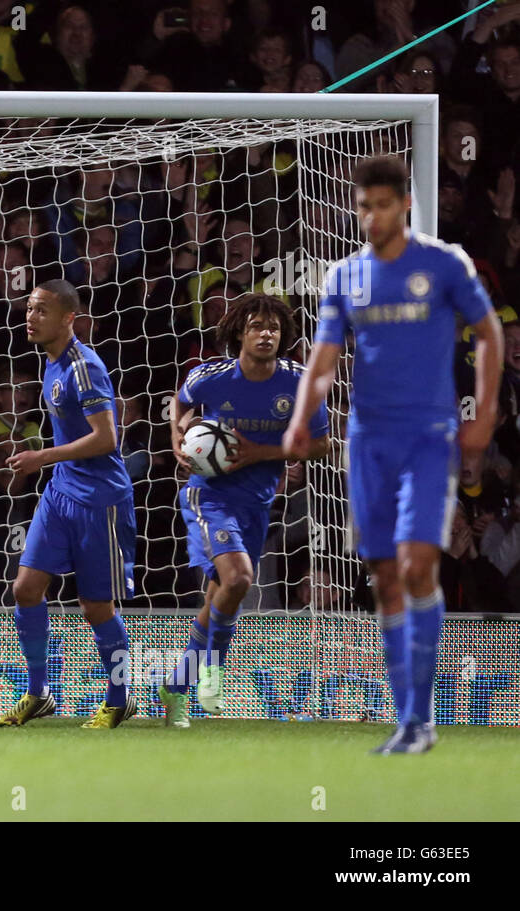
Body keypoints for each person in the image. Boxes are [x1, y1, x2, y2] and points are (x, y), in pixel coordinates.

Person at [283, 155, 503, 754]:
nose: (372, 216)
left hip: (430, 438)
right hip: (367, 444)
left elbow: (489, 333)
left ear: (404, 204)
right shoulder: (344, 278)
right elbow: (324, 360)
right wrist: (303, 418)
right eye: (363, 206)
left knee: (416, 566)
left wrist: (482, 414)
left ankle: (419, 718)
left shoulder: (443, 263)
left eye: (382, 205)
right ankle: (407, 720)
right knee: (384, 577)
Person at [159, 293, 330, 728]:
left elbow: (324, 443)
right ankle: (212, 671)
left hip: (259, 502)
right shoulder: (212, 377)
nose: (266, 333)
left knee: (221, 593)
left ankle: (176, 686)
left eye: (273, 327)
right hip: (210, 496)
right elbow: (180, 402)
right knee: (238, 579)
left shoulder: (300, 382)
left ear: (284, 335)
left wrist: (261, 454)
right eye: (256, 325)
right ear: (240, 332)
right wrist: (178, 439)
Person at [0, 280, 138, 730]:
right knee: (25, 589)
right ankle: (38, 693)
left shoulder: (84, 367)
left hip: (101, 502)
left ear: (68, 318)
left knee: (96, 607)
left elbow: (107, 438)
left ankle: (119, 700)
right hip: (60, 494)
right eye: (29, 309)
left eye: (41, 311)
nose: (30, 318)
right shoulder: (50, 363)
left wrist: (42, 456)